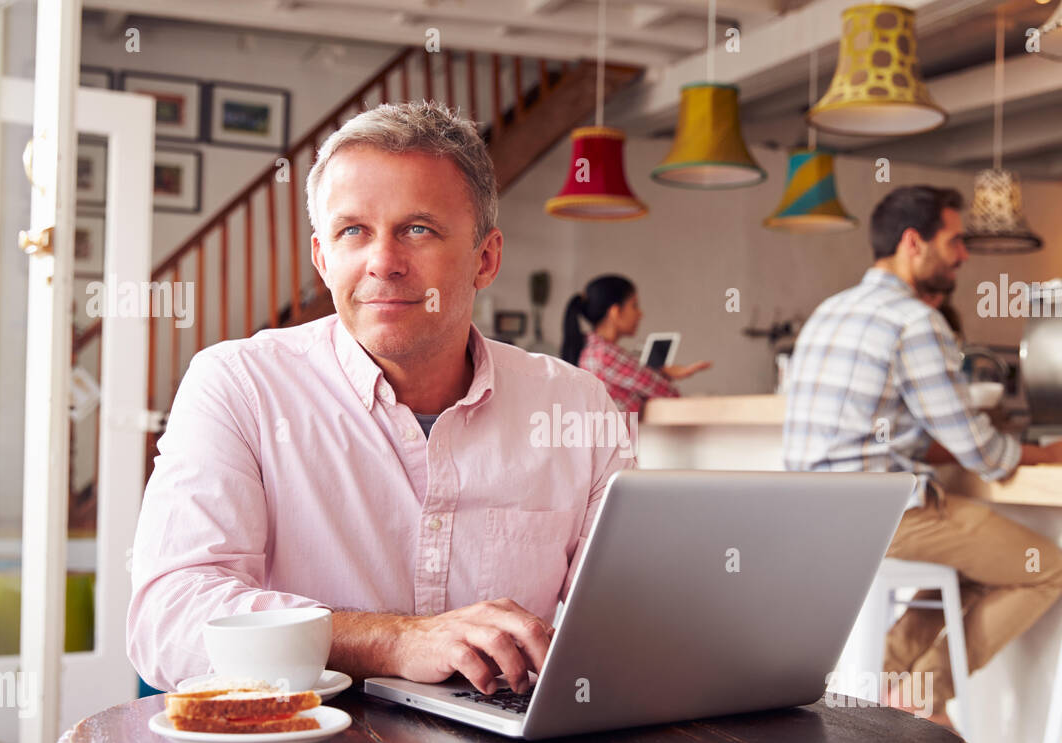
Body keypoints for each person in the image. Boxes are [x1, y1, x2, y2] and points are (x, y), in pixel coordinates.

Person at [127, 101, 633, 697]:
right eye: (353, 232)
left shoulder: (577, 408)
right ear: (323, 259)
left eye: (418, 229)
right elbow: (170, 620)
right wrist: (395, 640)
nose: (383, 263)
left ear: (486, 259)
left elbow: (626, 616)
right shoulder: (238, 386)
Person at [784, 184, 1062, 733]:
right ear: (913, 243)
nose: (964, 254)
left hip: (813, 515)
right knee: (1048, 570)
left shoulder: (830, 310)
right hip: (881, 516)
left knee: (976, 567)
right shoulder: (916, 322)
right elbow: (984, 454)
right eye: (955, 240)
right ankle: (925, 693)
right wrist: (1051, 453)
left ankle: (888, 684)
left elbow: (913, 431)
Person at [560, 274, 712, 415]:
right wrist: (663, 376)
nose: (640, 314)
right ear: (615, 312)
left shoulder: (588, 348)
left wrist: (663, 373)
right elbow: (668, 393)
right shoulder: (607, 354)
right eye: (634, 305)